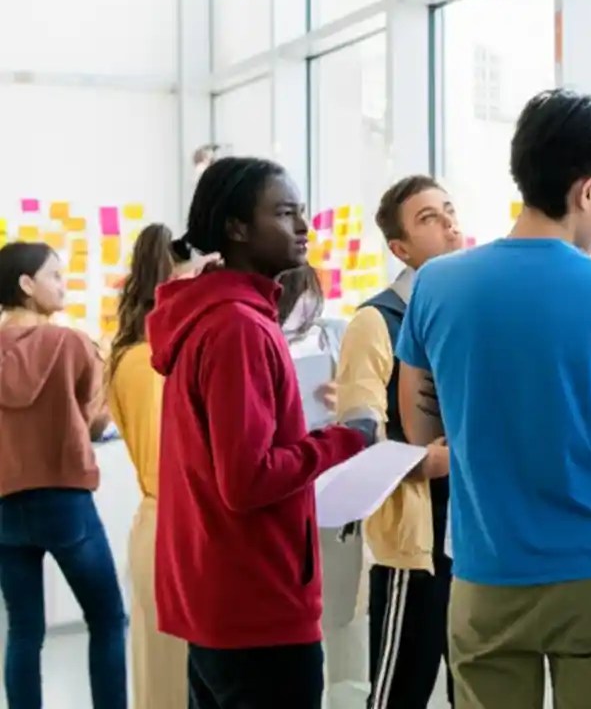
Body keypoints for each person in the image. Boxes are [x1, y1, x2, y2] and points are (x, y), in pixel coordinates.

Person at [395, 88, 591, 708]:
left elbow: (418, 434)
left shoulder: (436, 285)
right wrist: (590, 396)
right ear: (586, 190)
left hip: (487, 573)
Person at [146, 155, 378, 709]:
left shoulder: (215, 317)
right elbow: (247, 479)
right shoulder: (238, 327)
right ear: (236, 228)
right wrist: (347, 439)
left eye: (302, 213)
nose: (303, 228)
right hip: (258, 604)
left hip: (222, 599)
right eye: (284, 213)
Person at [336, 174, 458, 708]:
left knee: (474, 689)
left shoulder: (470, 312)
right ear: (400, 248)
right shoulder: (376, 320)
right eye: (429, 217)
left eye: (450, 210)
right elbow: (358, 437)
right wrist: (432, 463)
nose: (450, 223)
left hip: (477, 536)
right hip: (416, 540)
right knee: (397, 693)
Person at [0, 241, 125, 709]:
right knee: (108, 618)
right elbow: (94, 418)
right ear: (26, 285)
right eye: (55, 275)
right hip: (65, 499)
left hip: (5, 502)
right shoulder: (69, 343)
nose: (63, 284)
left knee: (24, 628)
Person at [105, 224, 220, 709]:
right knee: (169, 683)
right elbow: (167, 459)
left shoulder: (138, 354)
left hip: (173, 525)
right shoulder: (148, 361)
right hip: (172, 525)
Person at [274, 263, 368, 695]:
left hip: (338, 487)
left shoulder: (337, 333)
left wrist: (348, 399)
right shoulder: (261, 338)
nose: (307, 308)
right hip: (288, 485)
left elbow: (370, 407)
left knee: (342, 610)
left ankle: (346, 692)